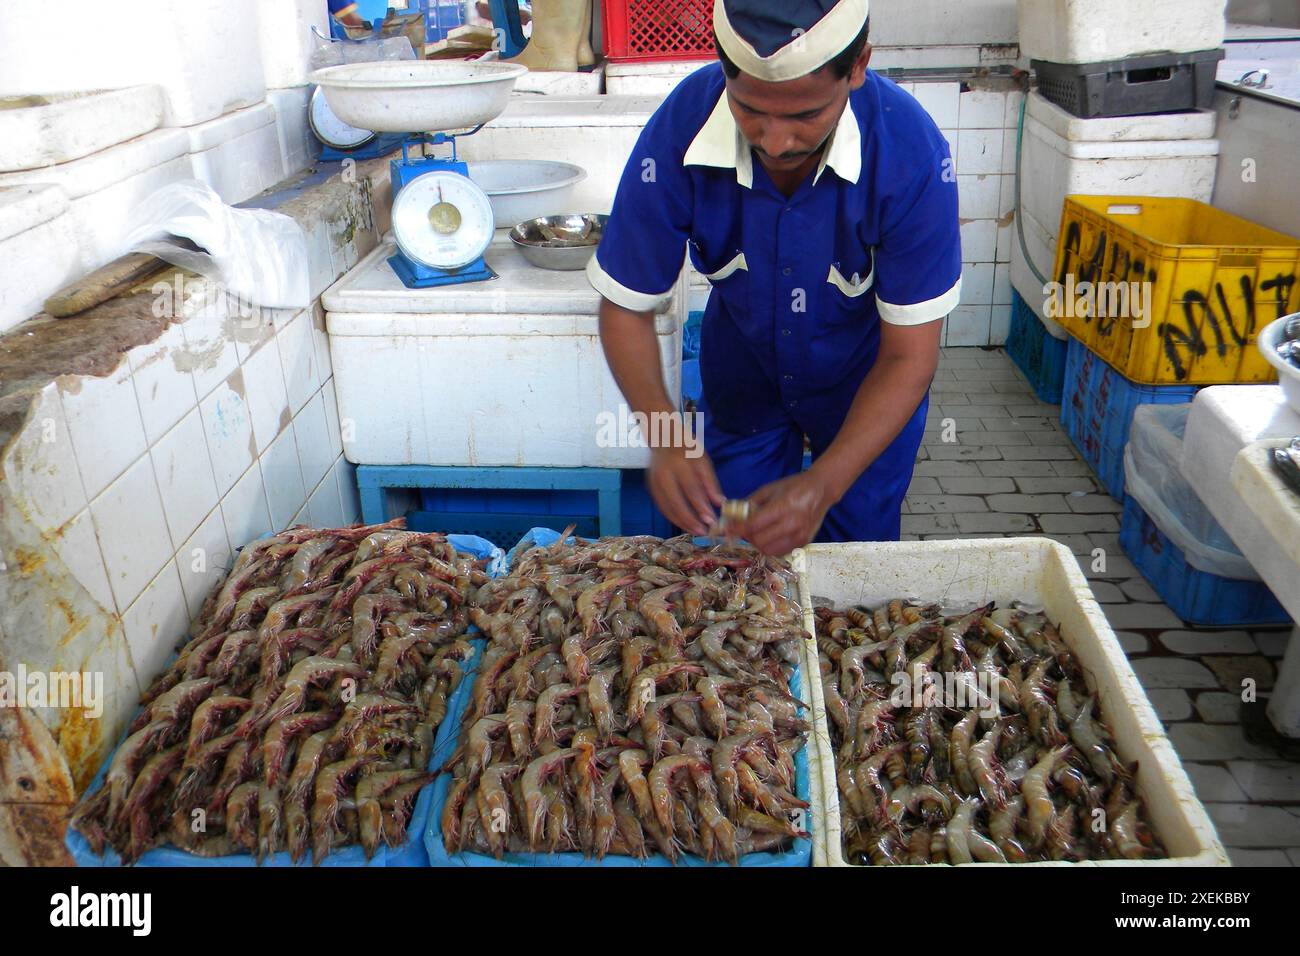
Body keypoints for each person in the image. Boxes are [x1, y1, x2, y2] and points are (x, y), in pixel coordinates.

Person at [589, 0, 961, 556]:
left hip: (866, 386)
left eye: (805, 116)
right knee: (739, 560)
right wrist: (667, 438)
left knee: (853, 563)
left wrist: (824, 485)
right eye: (750, 111)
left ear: (858, 67)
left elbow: (910, 355)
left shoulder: (911, 155)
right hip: (746, 380)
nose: (775, 142)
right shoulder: (681, 128)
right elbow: (625, 307)